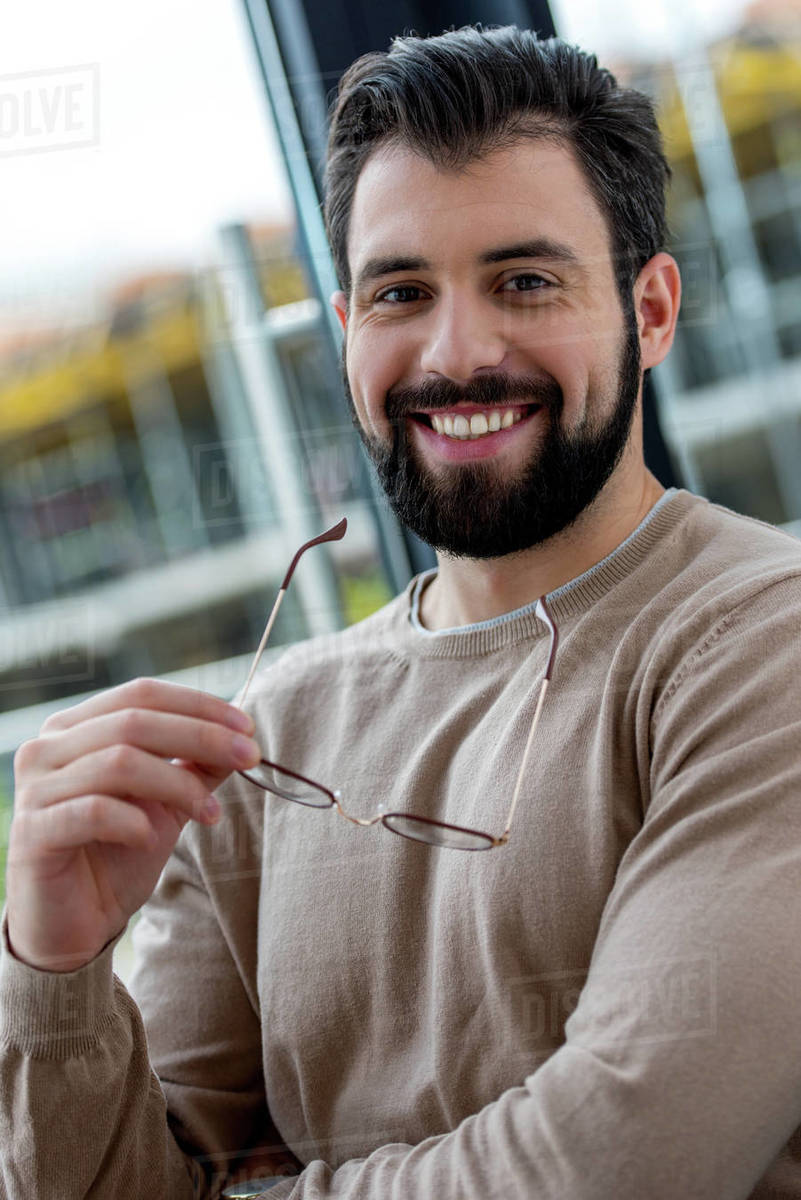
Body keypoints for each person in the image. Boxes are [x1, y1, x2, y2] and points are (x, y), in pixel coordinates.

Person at [3, 24, 801, 1200]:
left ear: (654, 310)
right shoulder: (270, 729)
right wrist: (54, 963)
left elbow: (620, 1167)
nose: (457, 351)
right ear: (346, 336)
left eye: (525, 281)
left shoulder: (756, 645)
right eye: (401, 293)